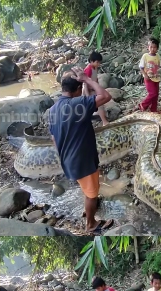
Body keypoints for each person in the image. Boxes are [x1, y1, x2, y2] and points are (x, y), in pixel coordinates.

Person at [47, 68, 114, 234]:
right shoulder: (78, 104)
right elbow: (106, 96)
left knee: (87, 188)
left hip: (68, 160)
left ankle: (88, 210)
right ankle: (90, 224)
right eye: (81, 88)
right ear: (77, 89)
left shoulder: (53, 110)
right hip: (82, 160)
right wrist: (88, 80)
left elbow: (54, 138)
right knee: (92, 193)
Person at [84, 52, 110, 126]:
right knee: (96, 105)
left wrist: (98, 88)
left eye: (99, 62)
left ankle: (104, 120)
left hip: (94, 89)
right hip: (88, 91)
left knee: (100, 104)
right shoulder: (88, 69)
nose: (98, 64)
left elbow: (95, 78)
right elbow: (85, 83)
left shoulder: (94, 67)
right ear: (92, 61)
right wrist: (88, 95)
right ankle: (104, 121)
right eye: (97, 62)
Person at [137, 38, 161, 113]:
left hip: (156, 78)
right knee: (152, 93)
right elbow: (141, 67)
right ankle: (143, 105)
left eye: (154, 47)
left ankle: (153, 109)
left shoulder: (157, 56)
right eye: (151, 47)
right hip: (148, 78)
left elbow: (159, 65)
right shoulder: (145, 56)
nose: (152, 49)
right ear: (148, 47)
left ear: (157, 48)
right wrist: (145, 75)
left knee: (156, 94)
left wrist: (158, 72)